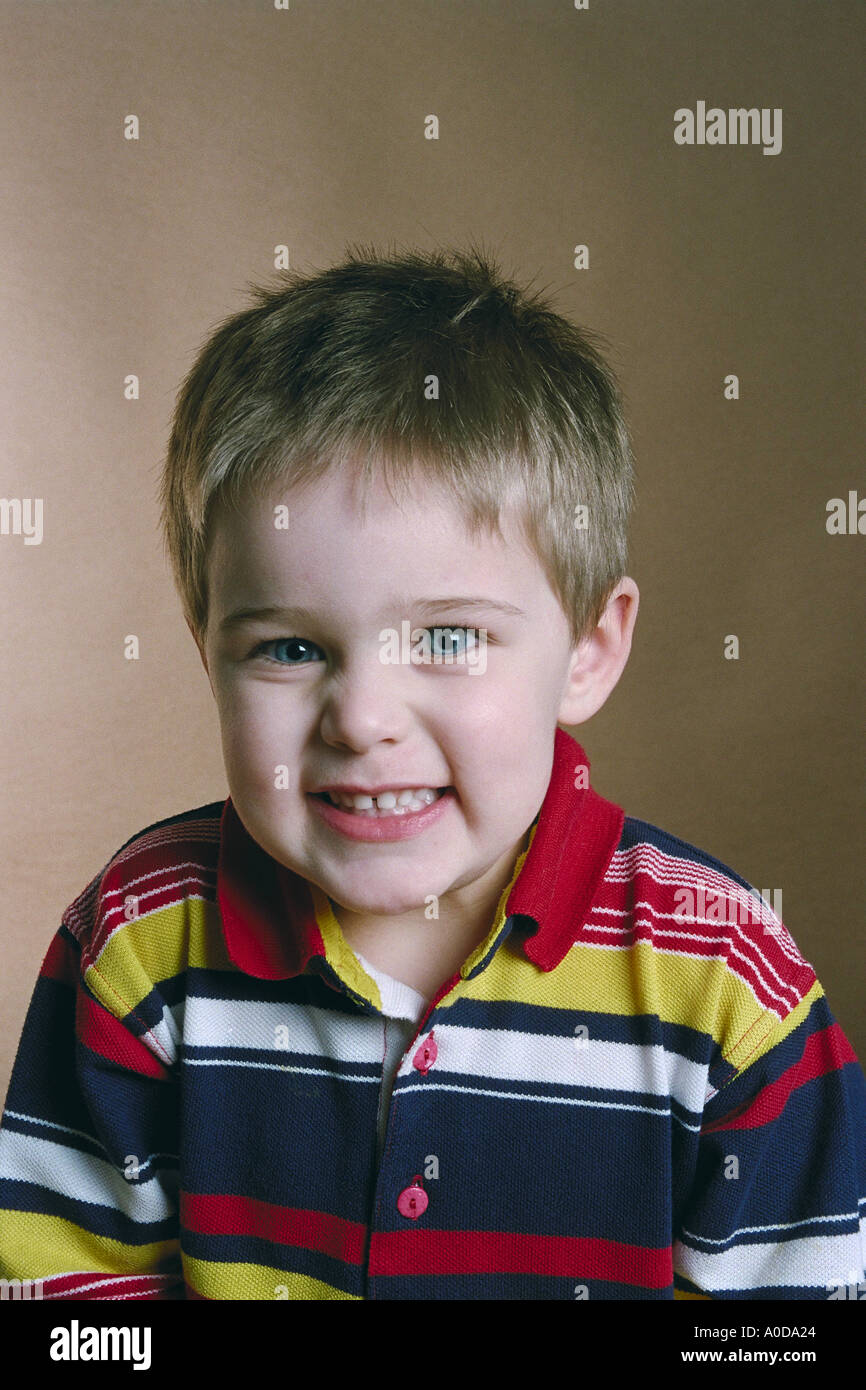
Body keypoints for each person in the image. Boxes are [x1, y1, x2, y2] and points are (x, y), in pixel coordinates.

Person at [1, 246, 863, 1301]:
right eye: (288, 647)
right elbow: (64, 1302)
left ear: (587, 648)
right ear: (205, 640)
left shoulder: (723, 981)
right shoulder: (138, 939)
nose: (361, 720)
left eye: (449, 638)